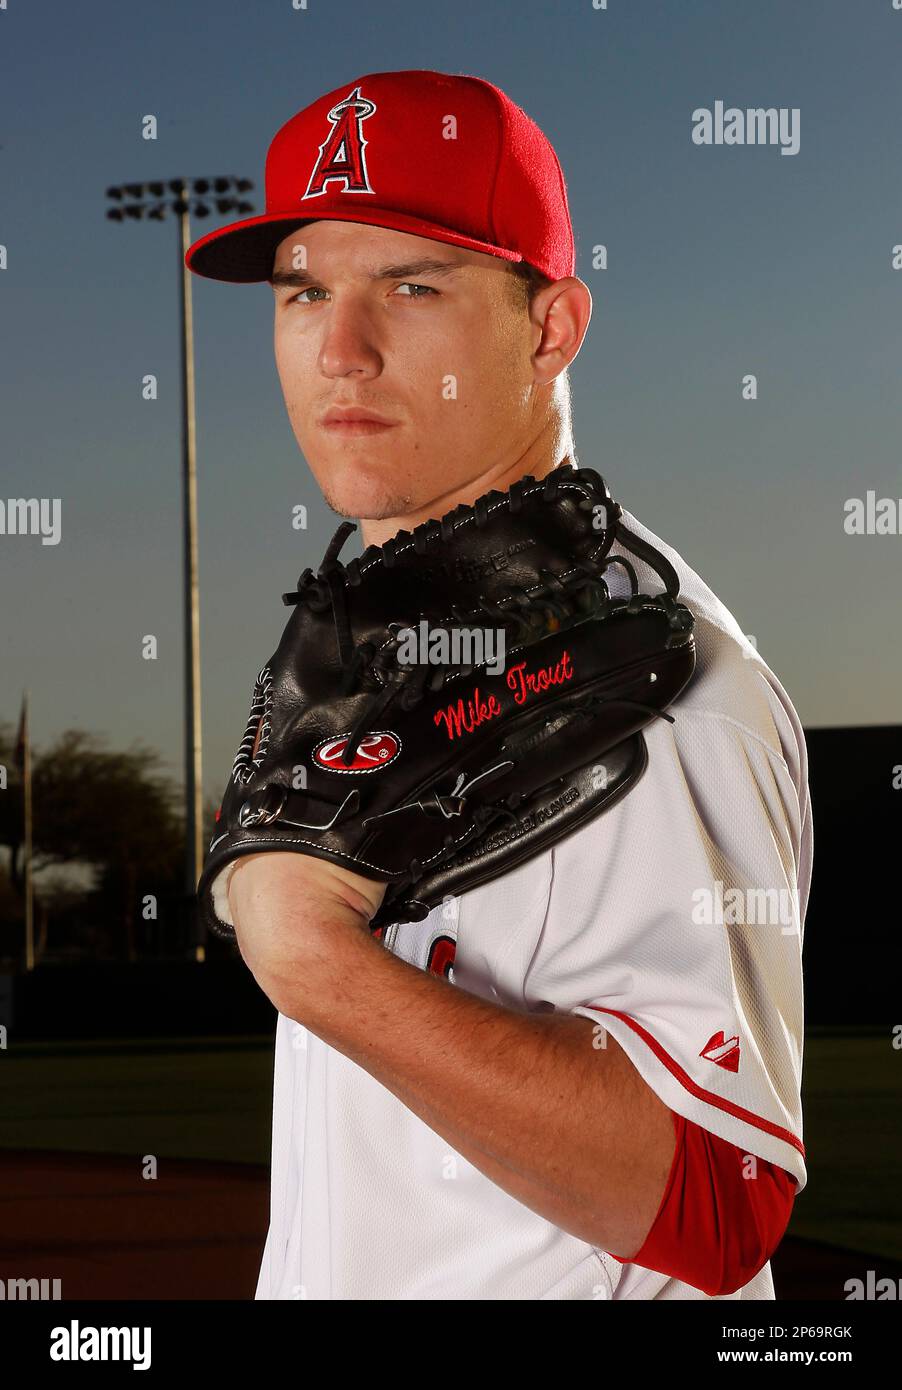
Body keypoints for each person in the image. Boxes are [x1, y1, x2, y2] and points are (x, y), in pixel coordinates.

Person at [186, 68, 811, 1301]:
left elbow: (718, 1204)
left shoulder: (665, 692)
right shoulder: (386, 648)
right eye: (303, 289)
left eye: (410, 286)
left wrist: (312, 959)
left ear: (550, 328)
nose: (338, 349)